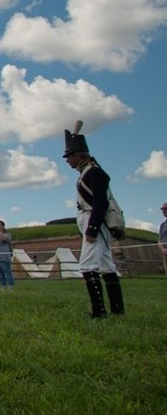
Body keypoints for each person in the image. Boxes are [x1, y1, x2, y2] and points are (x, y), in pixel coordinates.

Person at [64, 122, 124, 318]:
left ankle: (99, 311)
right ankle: (117, 309)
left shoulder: (94, 173)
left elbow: (100, 203)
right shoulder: (88, 172)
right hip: (90, 219)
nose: (67, 161)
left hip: (94, 220)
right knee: (107, 266)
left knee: (87, 266)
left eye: (69, 156)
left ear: (78, 155)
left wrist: (92, 228)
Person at [0, 220, 15, 292]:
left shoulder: (7, 234)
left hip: (4, 257)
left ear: (3, 226)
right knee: (0, 274)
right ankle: (3, 288)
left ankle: (11, 288)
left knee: (7, 273)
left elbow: (3, 238)